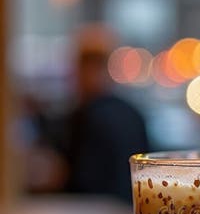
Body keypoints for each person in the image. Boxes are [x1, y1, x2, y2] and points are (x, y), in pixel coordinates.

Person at [62, 38, 149, 203]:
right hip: (131, 207)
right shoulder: (132, 112)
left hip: (91, 210)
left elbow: (81, 177)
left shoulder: (86, 114)